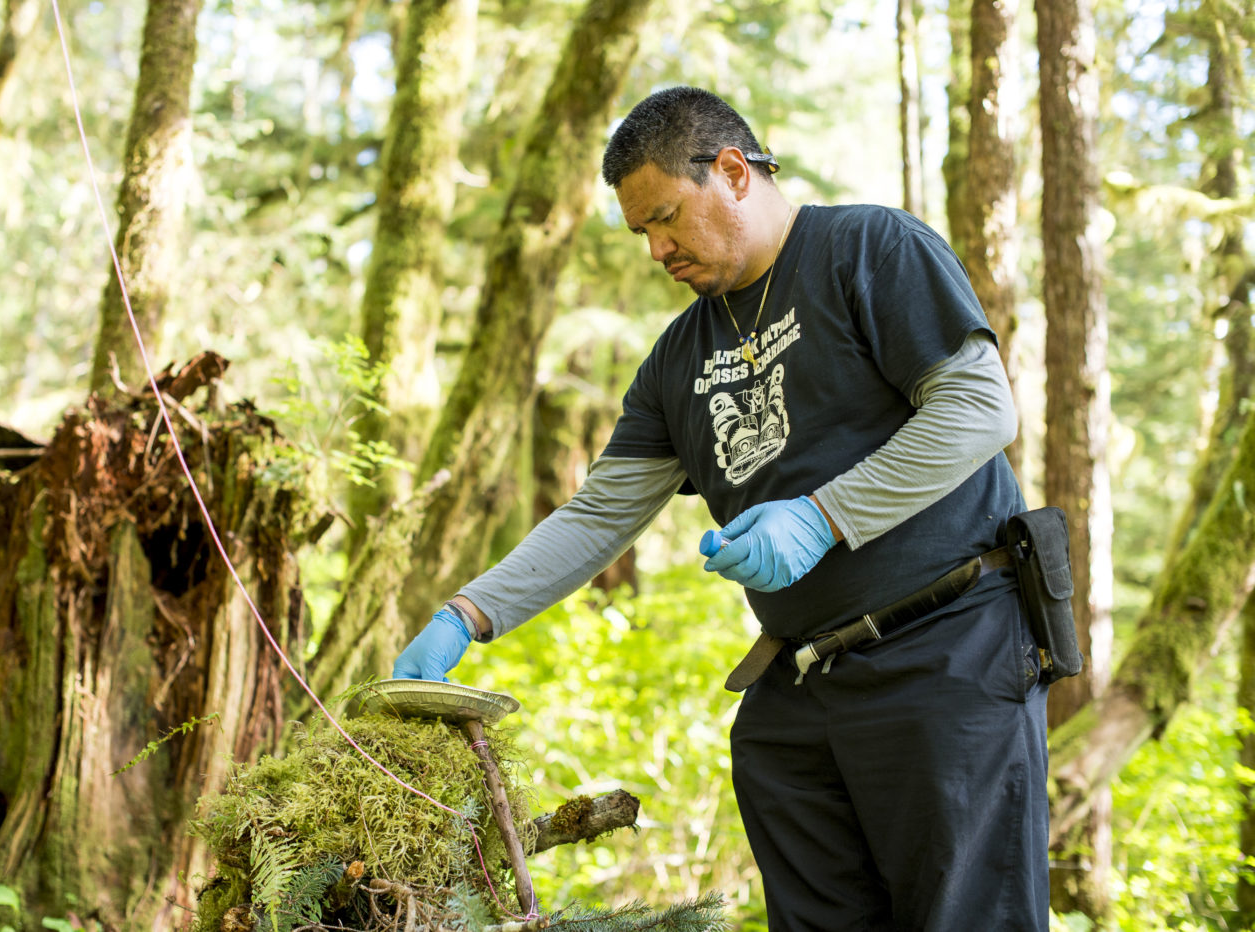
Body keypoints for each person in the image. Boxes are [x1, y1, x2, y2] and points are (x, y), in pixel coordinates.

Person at [392, 85, 1049, 931]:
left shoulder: (868, 249)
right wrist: (468, 613)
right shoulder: (677, 359)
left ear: (734, 172)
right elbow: (600, 515)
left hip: (950, 654)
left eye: (666, 218)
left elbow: (978, 409)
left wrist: (821, 518)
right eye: (641, 232)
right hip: (801, 689)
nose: (656, 250)